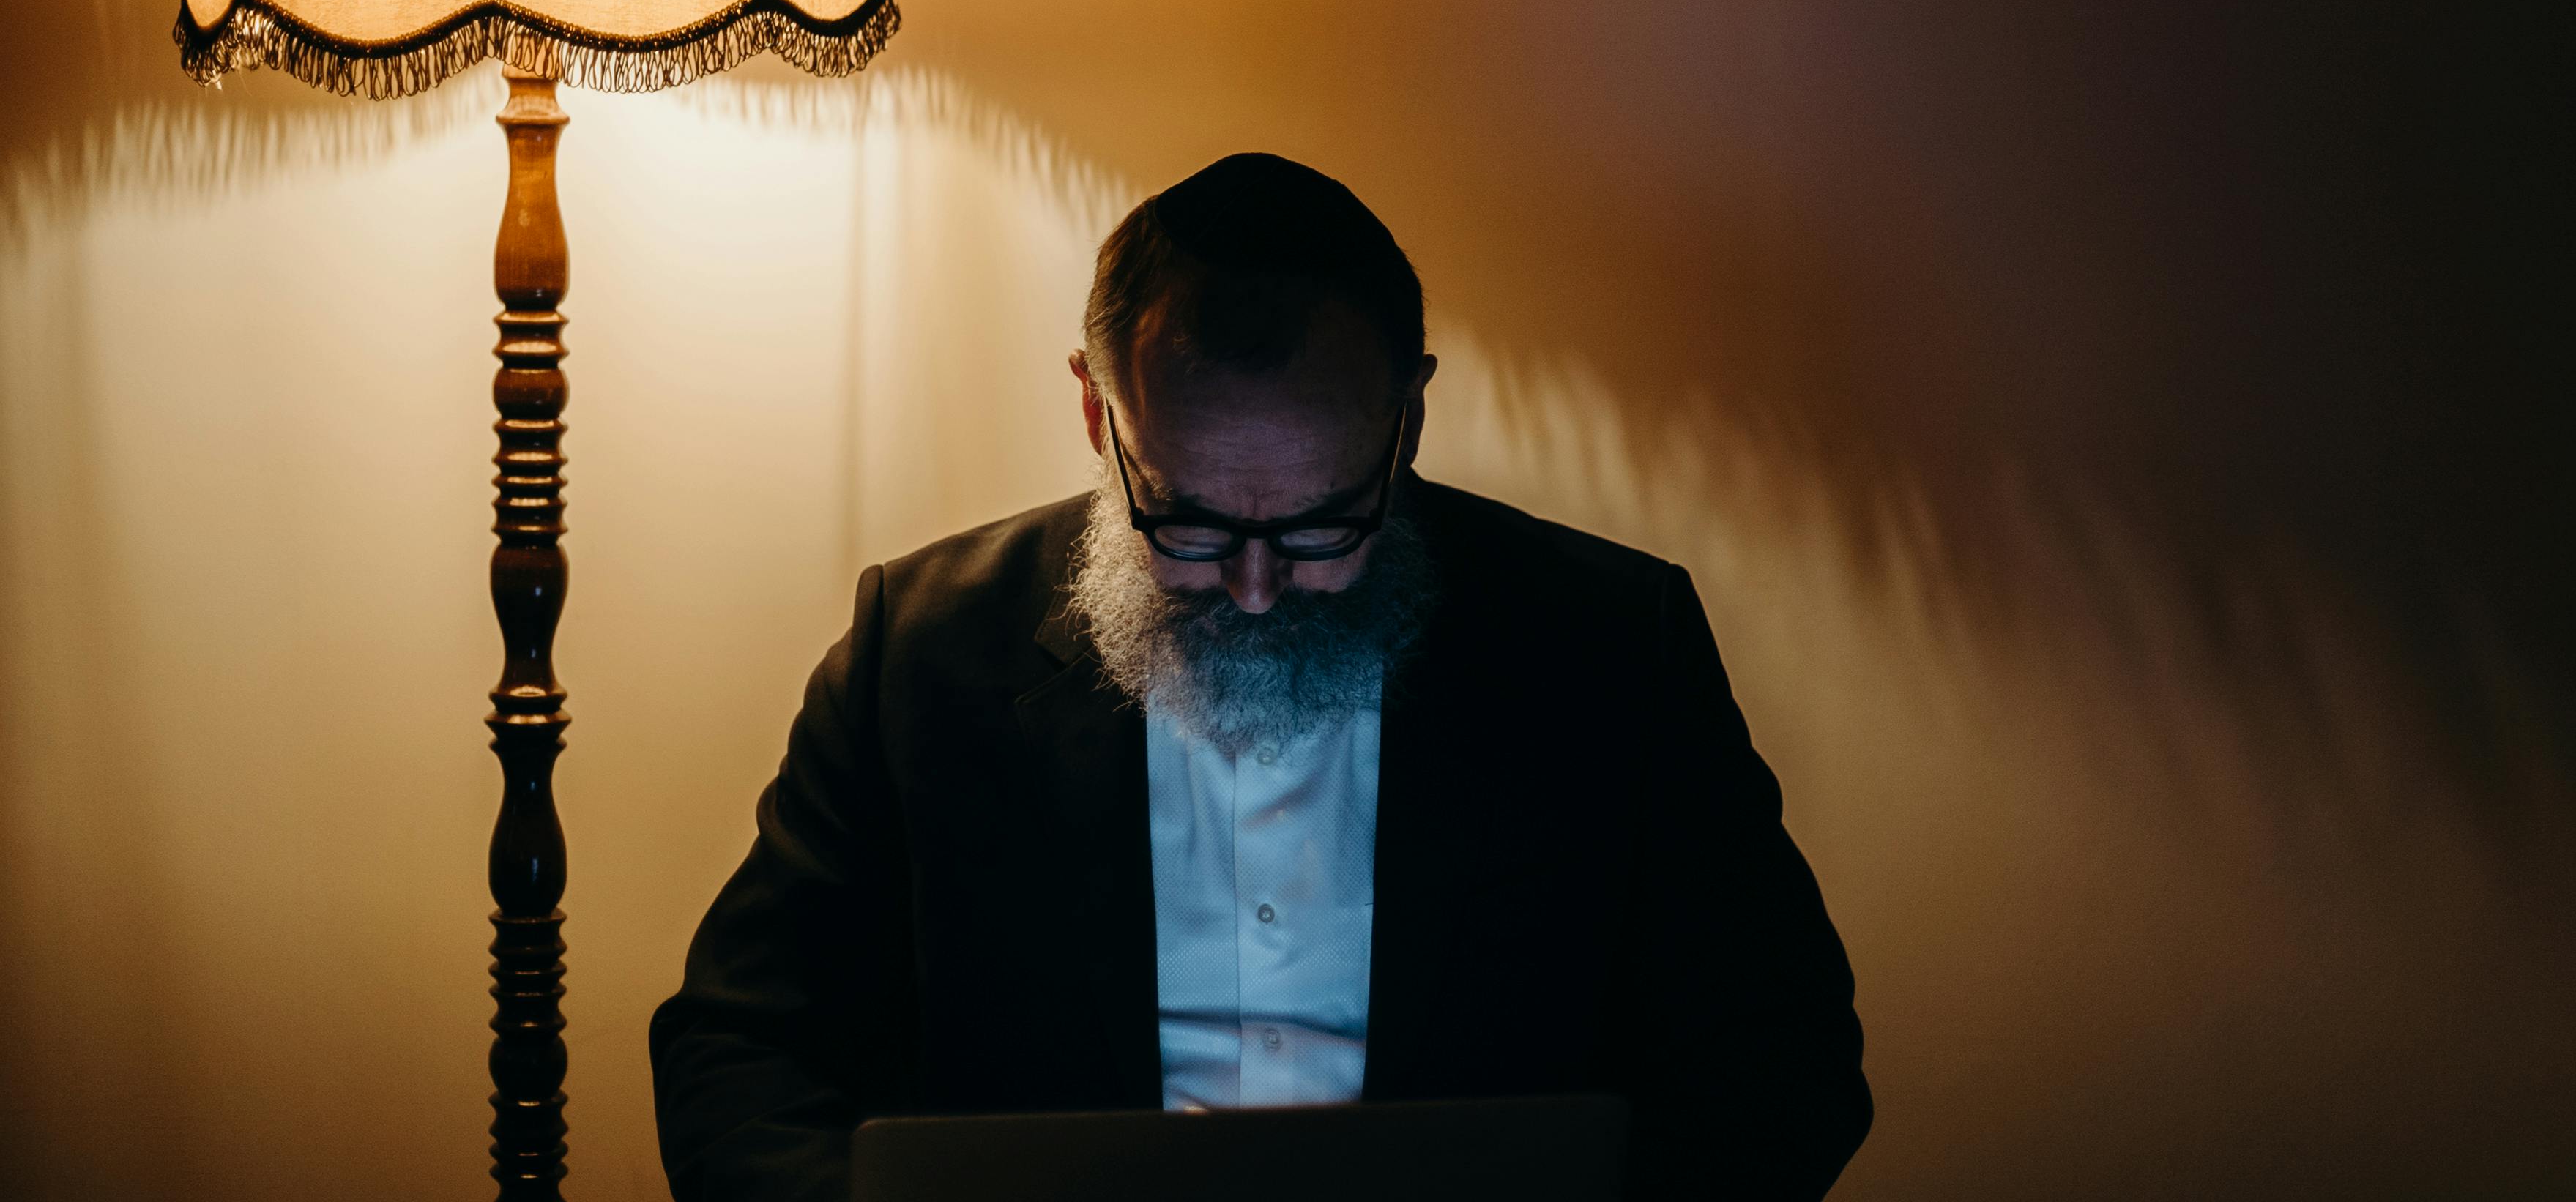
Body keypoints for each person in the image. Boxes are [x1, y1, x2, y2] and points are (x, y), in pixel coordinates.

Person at [651, 153, 1872, 1200]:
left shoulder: (1612, 645)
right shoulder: (916, 650)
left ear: (1407, 422)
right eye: (1182, 522)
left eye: (1318, 526)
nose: (1249, 585)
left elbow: (1783, 1068)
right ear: (1097, 416)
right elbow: (739, 1053)